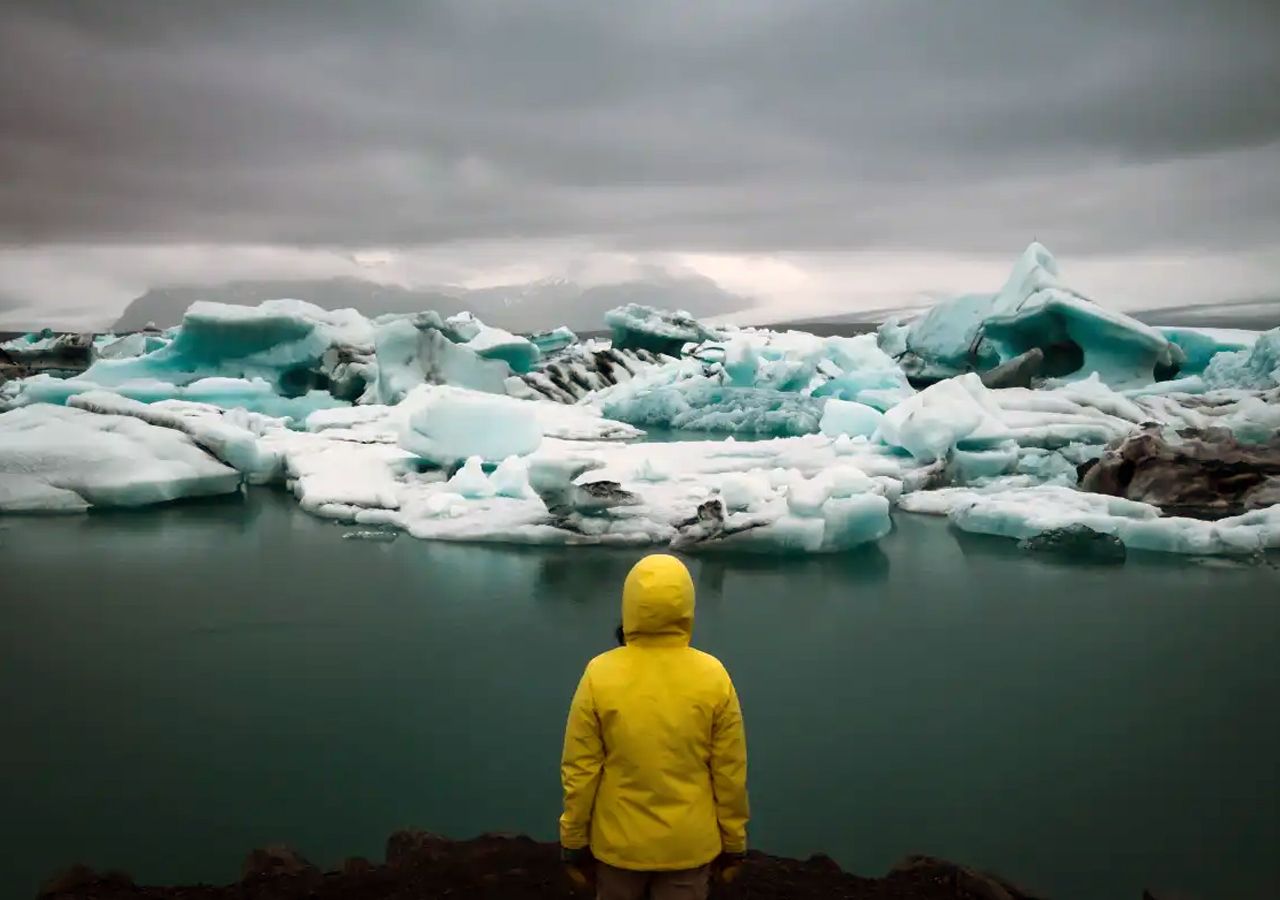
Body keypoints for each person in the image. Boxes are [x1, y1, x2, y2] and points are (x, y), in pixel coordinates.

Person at [559, 553, 749, 900]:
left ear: (630, 605)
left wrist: (573, 840)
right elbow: (729, 772)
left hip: (618, 845)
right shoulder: (713, 675)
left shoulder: (600, 673)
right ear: (686, 606)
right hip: (688, 846)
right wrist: (734, 843)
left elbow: (581, 769)